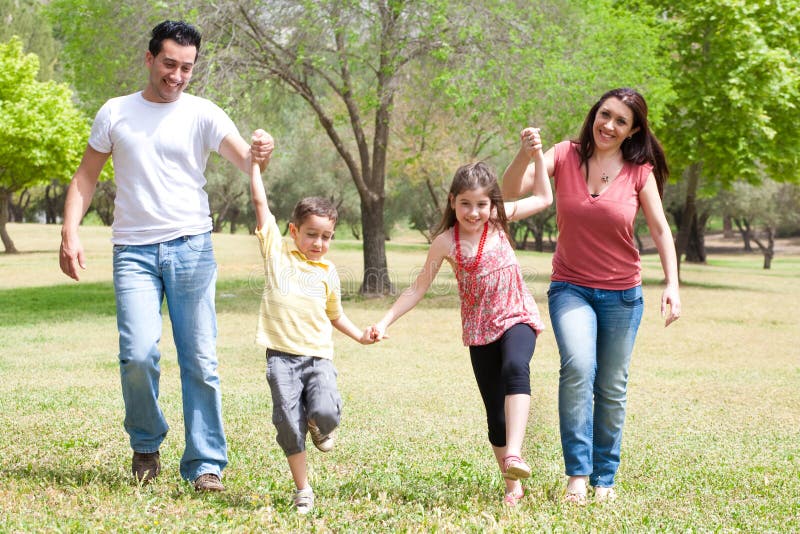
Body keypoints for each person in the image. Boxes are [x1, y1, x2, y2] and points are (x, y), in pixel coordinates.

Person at [59, 20, 274, 492]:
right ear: (150, 58)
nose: (177, 75)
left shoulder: (203, 113)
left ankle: (206, 464)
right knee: (137, 354)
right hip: (132, 251)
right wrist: (69, 231)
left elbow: (247, 161)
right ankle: (145, 442)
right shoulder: (115, 112)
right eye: (169, 64)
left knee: (200, 359)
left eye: (187, 67)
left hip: (191, 247)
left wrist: (262, 150)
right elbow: (85, 177)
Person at [502, 88, 681, 504]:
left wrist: (672, 283)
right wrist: (525, 155)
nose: (609, 125)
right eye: (605, 114)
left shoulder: (639, 172)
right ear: (594, 114)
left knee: (612, 386)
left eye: (621, 121)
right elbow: (510, 191)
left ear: (633, 130)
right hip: (571, 287)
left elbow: (659, 230)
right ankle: (578, 477)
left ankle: (605, 478)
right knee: (578, 368)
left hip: (623, 294)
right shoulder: (565, 155)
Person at [371, 133, 552, 506]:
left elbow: (544, 198)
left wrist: (535, 155)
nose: (473, 212)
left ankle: (515, 454)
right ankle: (512, 485)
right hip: (479, 331)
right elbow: (417, 288)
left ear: (492, 204)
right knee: (495, 416)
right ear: (452, 201)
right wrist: (385, 321)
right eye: (465, 203)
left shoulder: (499, 220)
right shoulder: (445, 242)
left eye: (481, 204)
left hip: (516, 316)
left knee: (515, 367)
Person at [249, 161, 376, 514]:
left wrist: (360, 335)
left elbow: (335, 315)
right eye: (311, 234)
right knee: (288, 425)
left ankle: (318, 424)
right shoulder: (276, 252)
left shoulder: (328, 271)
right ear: (293, 230)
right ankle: (303, 488)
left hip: (318, 357)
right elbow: (260, 203)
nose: (319, 243)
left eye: (326, 236)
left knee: (325, 411)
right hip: (281, 358)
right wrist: (255, 166)